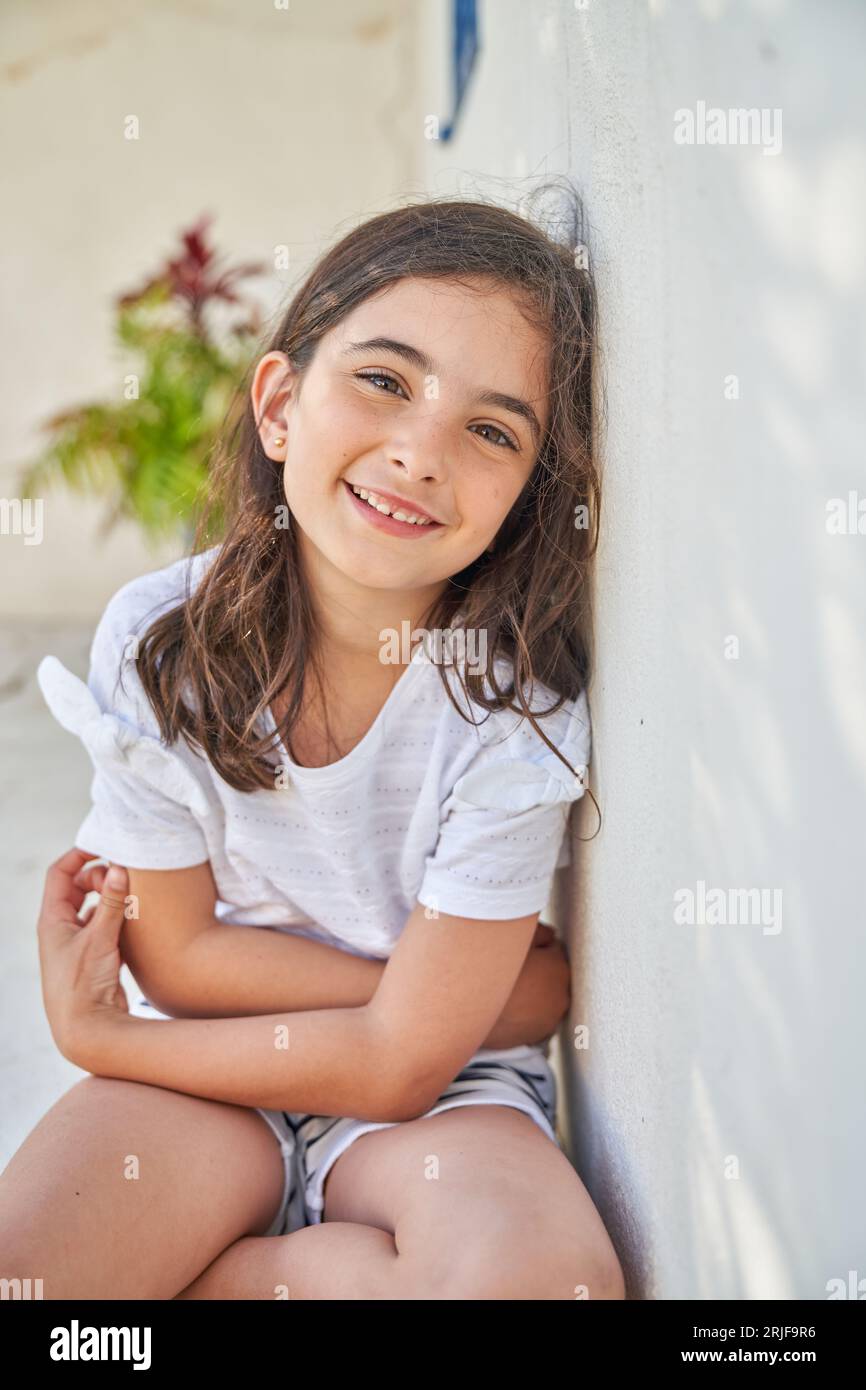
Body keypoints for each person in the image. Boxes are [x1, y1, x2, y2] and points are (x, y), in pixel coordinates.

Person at [0, 189, 625, 1300]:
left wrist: (100, 1036)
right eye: (383, 380)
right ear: (280, 404)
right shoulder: (163, 644)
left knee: (538, 1287)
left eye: (490, 430)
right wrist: (451, 991)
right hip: (205, 1081)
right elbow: (180, 961)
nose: (420, 453)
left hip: (445, 1092)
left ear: (526, 493)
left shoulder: (510, 707)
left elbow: (403, 1064)